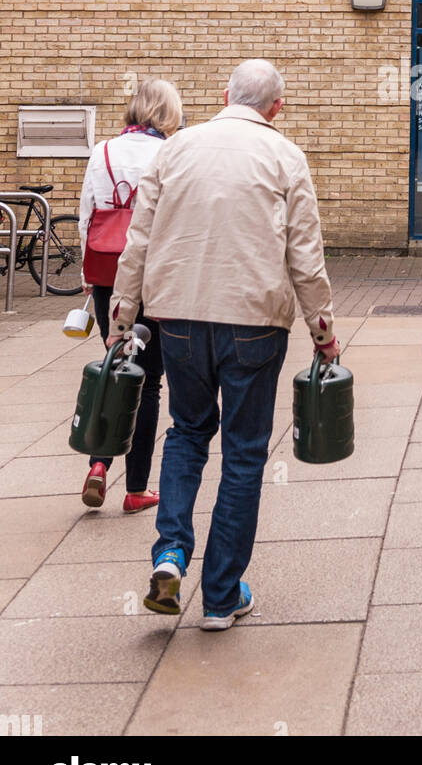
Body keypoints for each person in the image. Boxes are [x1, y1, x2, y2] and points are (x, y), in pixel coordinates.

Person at [107, 59, 338, 631]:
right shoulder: (287, 158)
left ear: (223, 95)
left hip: (178, 318)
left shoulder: (175, 150)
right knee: (243, 451)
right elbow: (305, 258)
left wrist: (121, 317)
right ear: (276, 108)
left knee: (187, 433)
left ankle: (169, 555)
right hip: (255, 321)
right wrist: (324, 333)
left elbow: (138, 241)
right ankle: (221, 594)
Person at [77, 77, 183, 513]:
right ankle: (137, 488)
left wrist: (89, 276)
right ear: (168, 113)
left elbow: (86, 215)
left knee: (115, 366)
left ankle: (99, 464)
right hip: (155, 278)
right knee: (149, 382)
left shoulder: (101, 152)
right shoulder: (171, 154)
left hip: (108, 278)